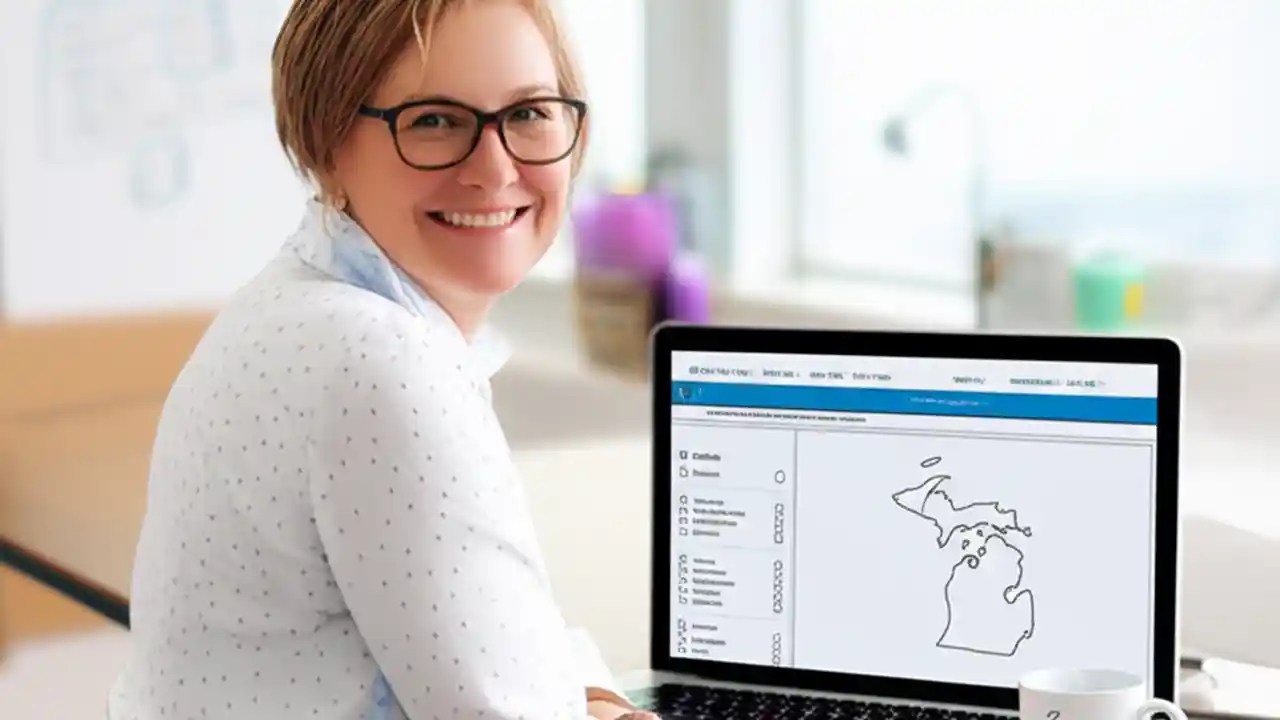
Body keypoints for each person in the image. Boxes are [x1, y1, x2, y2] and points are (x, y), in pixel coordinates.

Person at [107, 1, 657, 718]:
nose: (494, 170)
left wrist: (585, 693)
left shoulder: (299, 305)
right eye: (434, 120)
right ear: (326, 145)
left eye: (529, 114)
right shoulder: (378, 360)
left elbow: (498, 643)